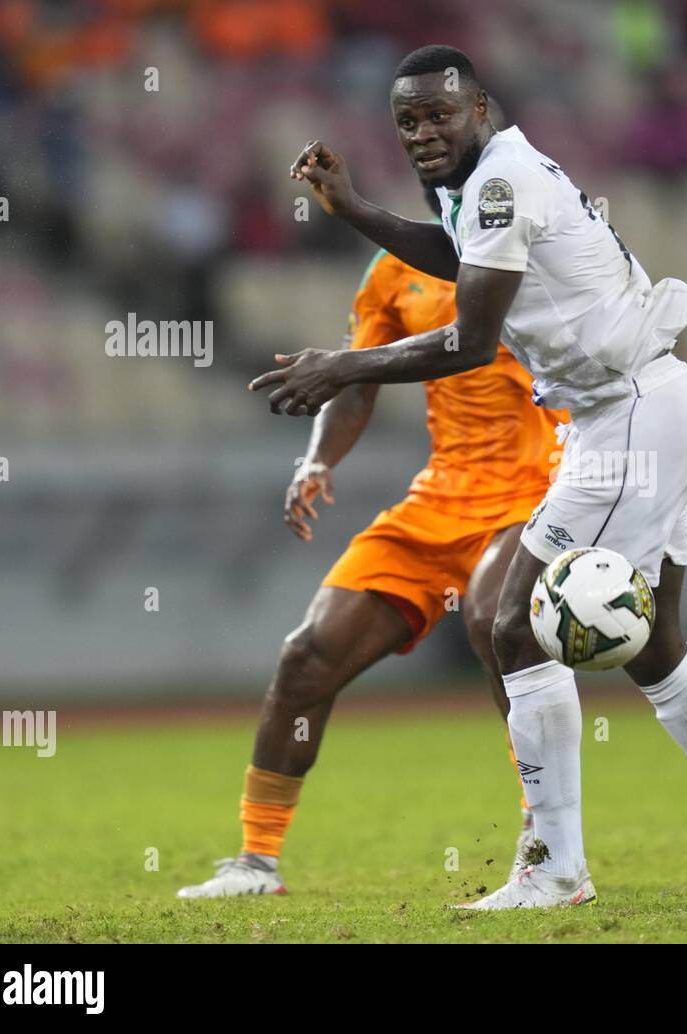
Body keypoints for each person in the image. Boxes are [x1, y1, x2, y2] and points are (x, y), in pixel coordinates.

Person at [254, 44, 687, 908]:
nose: (423, 132)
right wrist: (357, 209)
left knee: (514, 623)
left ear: (480, 107)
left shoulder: (497, 182)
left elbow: (471, 341)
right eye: (407, 120)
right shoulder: (487, 183)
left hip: (628, 418)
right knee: (657, 649)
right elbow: (458, 259)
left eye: (440, 113)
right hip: (645, 411)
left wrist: (344, 366)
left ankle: (555, 869)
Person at [177, 187, 568, 898]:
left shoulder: (531, 252)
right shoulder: (392, 271)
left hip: (536, 491)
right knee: (306, 656)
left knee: (493, 621)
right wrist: (317, 460)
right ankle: (255, 863)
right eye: (413, 131)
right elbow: (355, 383)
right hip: (440, 498)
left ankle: (546, 842)